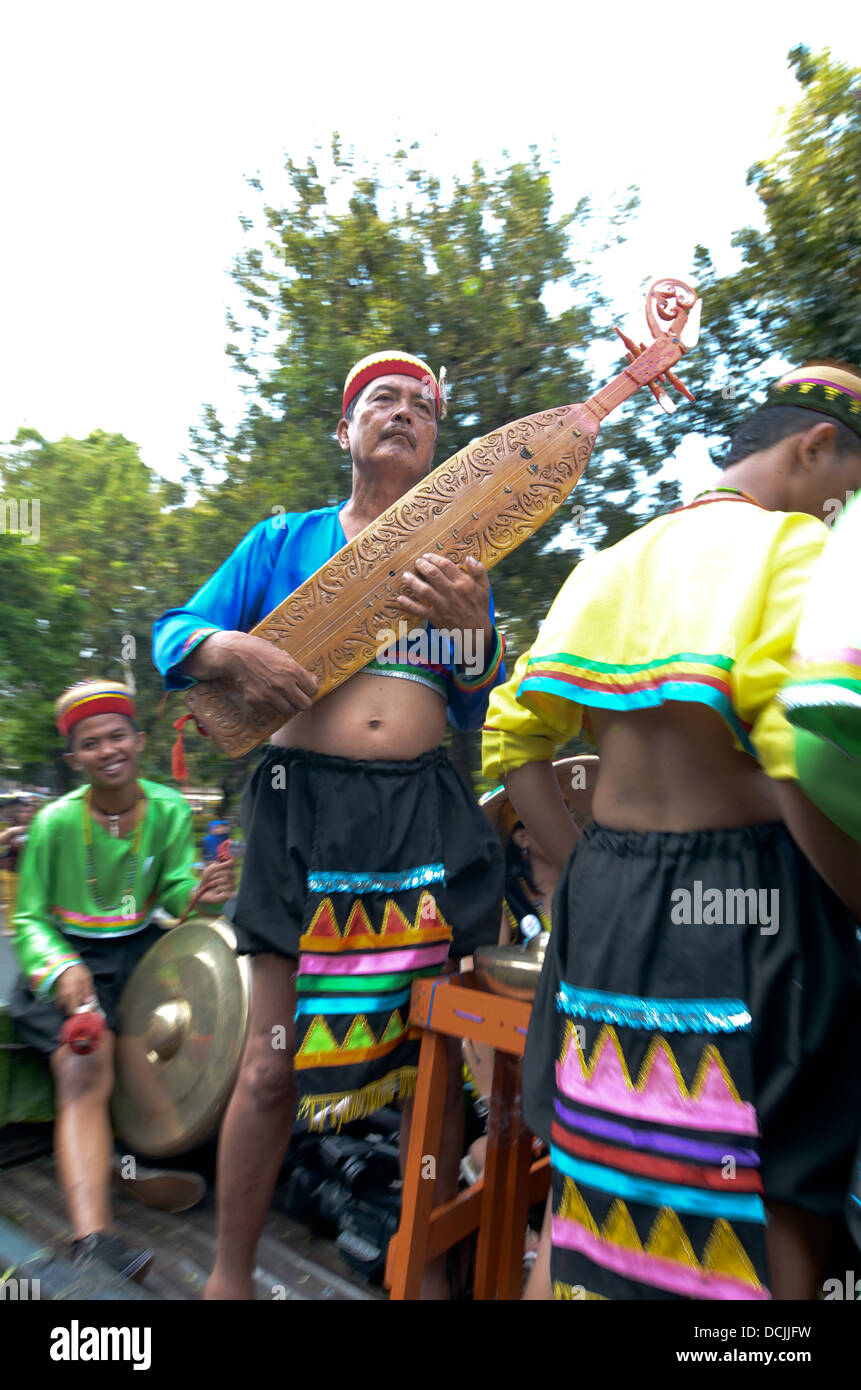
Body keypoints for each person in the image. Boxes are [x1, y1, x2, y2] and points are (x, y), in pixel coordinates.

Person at [482, 360, 861, 1301]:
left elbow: (511, 739)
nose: (845, 513)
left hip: (607, 900)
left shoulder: (605, 565)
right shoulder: (798, 556)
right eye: (849, 488)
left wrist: (579, 873)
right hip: (747, 907)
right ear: (813, 448)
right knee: (772, 1198)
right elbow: (797, 753)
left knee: (587, 1193)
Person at [153, 350, 507, 1299]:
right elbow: (171, 634)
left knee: (440, 1056)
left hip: (425, 815)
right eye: (380, 401)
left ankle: (424, 1267)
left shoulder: (459, 555)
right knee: (269, 1070)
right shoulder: (282, 542)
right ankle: (228, 1279)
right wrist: (226, 647)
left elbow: (474, 704)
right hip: (299, 815)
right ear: (344, 430)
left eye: (422, 406)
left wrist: (475, 637)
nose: (403, 413)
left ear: (437, 441)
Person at [9, 680, 235, 1282]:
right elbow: (28, 917)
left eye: (117, 736)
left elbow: (176, 893)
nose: (107, 749)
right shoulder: (56, 822)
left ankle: (114, 1165)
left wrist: (204, 892)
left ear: (138, 740)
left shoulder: (168, 809)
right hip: (65, 957)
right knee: (87, 1063)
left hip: (139, 957)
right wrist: (61, 967)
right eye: (91, 743)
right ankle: (93, 1242)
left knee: (175, 1064)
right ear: (74, 758)